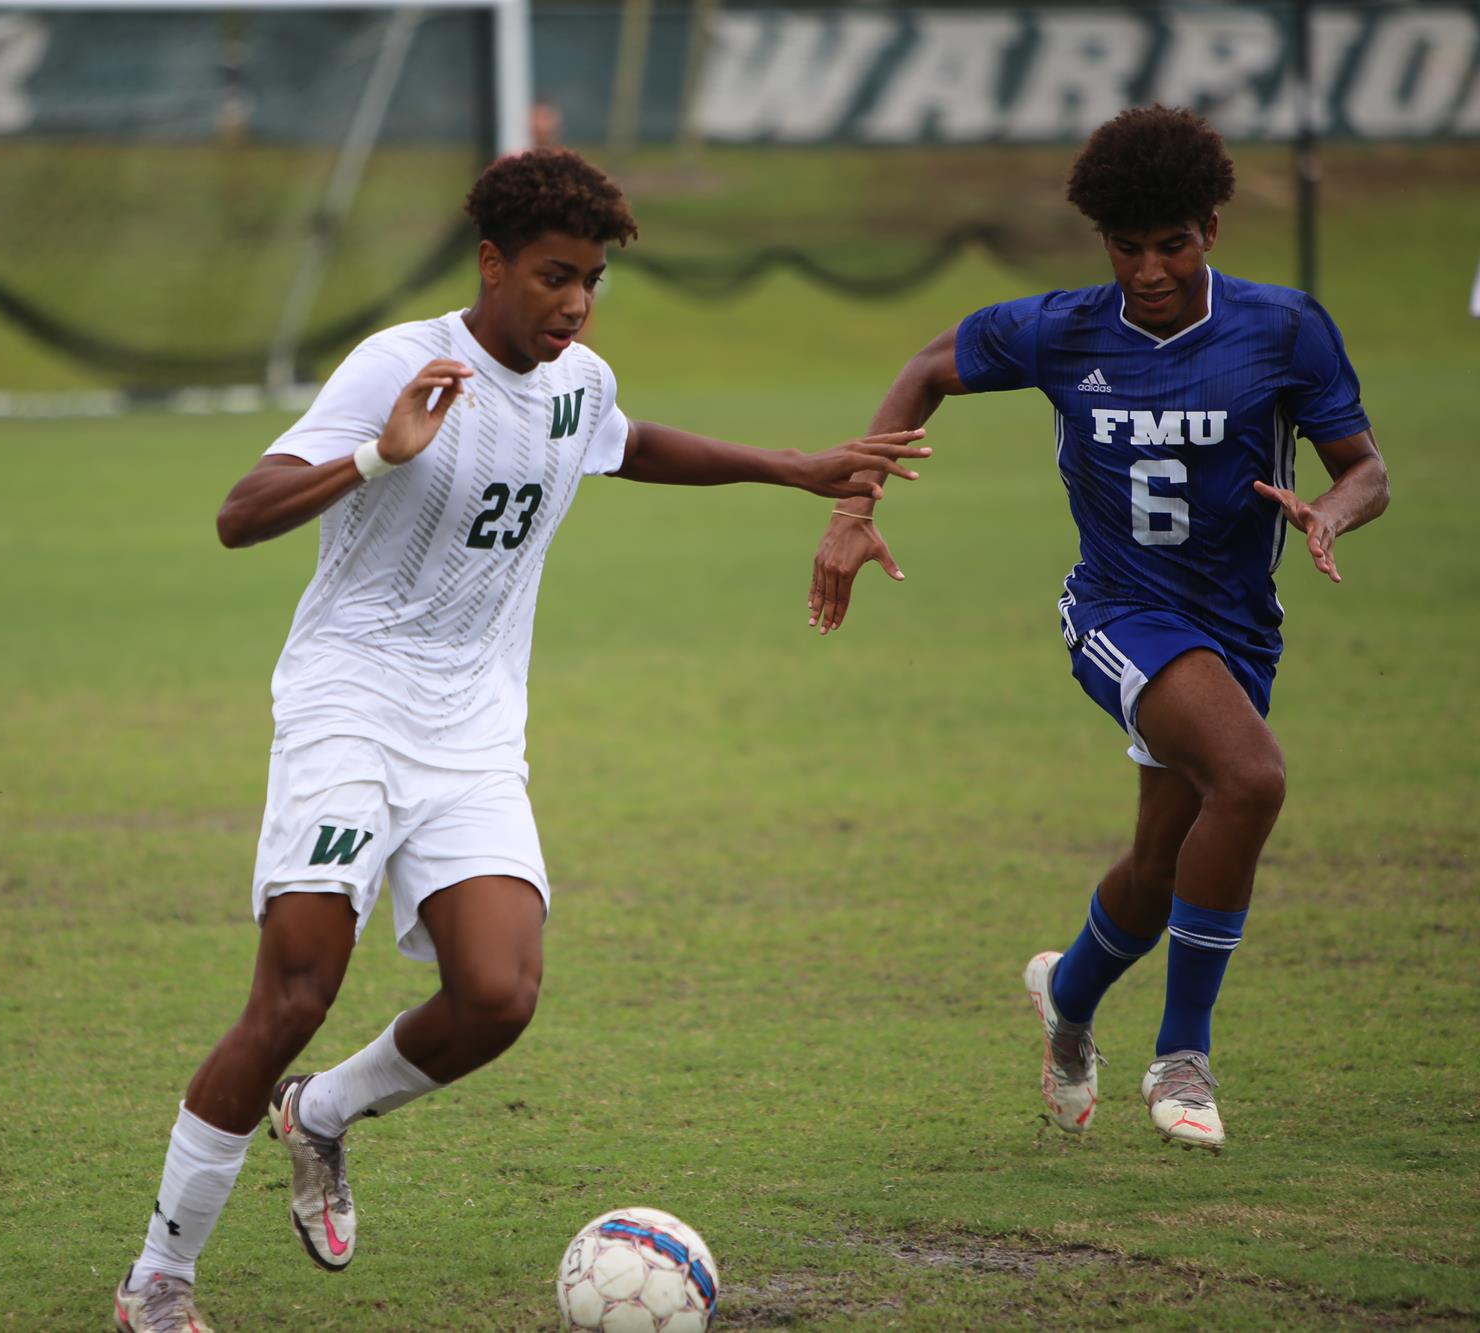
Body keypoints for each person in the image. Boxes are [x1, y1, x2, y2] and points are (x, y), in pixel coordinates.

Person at [113, 148, 932, 1333]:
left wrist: (791, 469)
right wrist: (375, 455)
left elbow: (625, 440)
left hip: (474, 731)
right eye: (554, 275)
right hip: (352, 706)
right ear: (491, 263)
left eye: (592, 280)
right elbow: (241, 514)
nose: (575, 303)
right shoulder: (400, 365)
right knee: (295, 988)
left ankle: (324, 1114)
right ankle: (157, 1281)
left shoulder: (576, 380)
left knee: (497, 994)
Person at [806, 106, 1388, 1155]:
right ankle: (1181, 1054)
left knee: (1158, 861)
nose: (1150, 269)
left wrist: (1326, 512)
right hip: (1115, 612)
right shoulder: (1061, 329)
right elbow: (926, 368)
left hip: (1235, 630)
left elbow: (1364, 467)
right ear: (1102, 242)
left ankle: (1066, 1000)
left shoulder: (1282, 329)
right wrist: (852, 515)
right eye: (1127, 247)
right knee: (1249, 778)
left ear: (1209, 228)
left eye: (1170, 244)